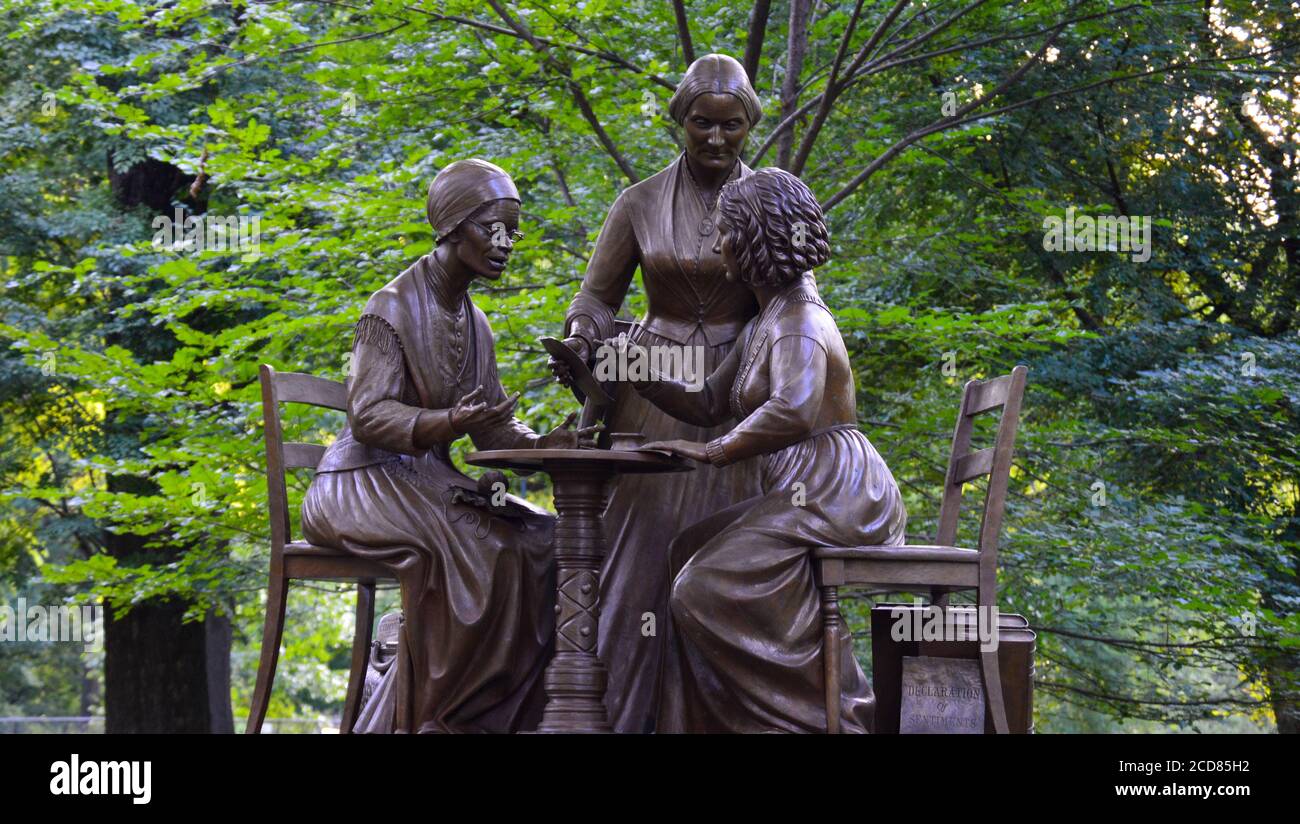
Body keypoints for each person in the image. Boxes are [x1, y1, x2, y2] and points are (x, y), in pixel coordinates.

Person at [302, 159, 594, 733]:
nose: (506, 243)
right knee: (483, 549)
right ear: (453, 227)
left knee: (544, 539)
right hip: (361, 483)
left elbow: (491, 431)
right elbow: (368, 416)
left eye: (513, 229)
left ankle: (491, 715)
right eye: (493, 228)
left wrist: (546, 444)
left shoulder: (474, 320)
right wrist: (445, 421)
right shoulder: (390, 308)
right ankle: (428, 717)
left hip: (427, 481)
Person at [632, 168, 907, 732]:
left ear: (757, 237)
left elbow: (794, 409)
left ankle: (830, 717)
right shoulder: (768, 319)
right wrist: (632, 362)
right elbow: (709, 400)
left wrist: (714, 454)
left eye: (726, 230)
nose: (717, 243)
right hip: (807, 491)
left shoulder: (800, 322)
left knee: (704, 586)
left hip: (838, 494)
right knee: (687, 550)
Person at [548, 54, 766, 732]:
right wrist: (583, 334)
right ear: (680, 121)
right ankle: (625, 717)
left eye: (732, 127)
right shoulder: (638, 201)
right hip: (650, 388)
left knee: (724, 561)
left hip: (734, 390)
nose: (716, 139)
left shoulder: (769, 199)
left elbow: (790, 295)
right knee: (636, 554)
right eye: (702, 123)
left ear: (748, 127)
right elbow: (596, 294)